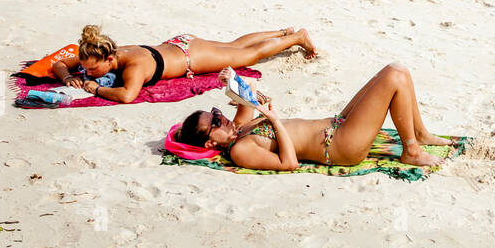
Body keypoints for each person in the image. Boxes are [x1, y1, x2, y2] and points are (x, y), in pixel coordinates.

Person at [178, 64, 452, 169]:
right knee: (393, 77)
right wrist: (274, 121)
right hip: (338, 146)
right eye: (213, 122)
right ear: (210, 143)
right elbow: (289, 163)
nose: (219, 117)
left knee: (395, 71)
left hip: (337, 124)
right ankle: (411, 151)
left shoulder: (238, 127)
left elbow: (249, 90)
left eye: (215, 113)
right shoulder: (241, 150)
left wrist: (232, 79)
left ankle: (420, 133)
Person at [51, 24, 317, 103]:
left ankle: (296, 38)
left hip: (192, 57)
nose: (87, 71)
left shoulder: (134, 67)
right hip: (178, 43)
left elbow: (127, 95)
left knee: (249, 55)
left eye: (92, 69)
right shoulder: (102, 50)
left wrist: (94, 88)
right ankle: (282, 32)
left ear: (109, 60)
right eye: (85, 67)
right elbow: (58, 63)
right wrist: (66, 77)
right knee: (234, 45)